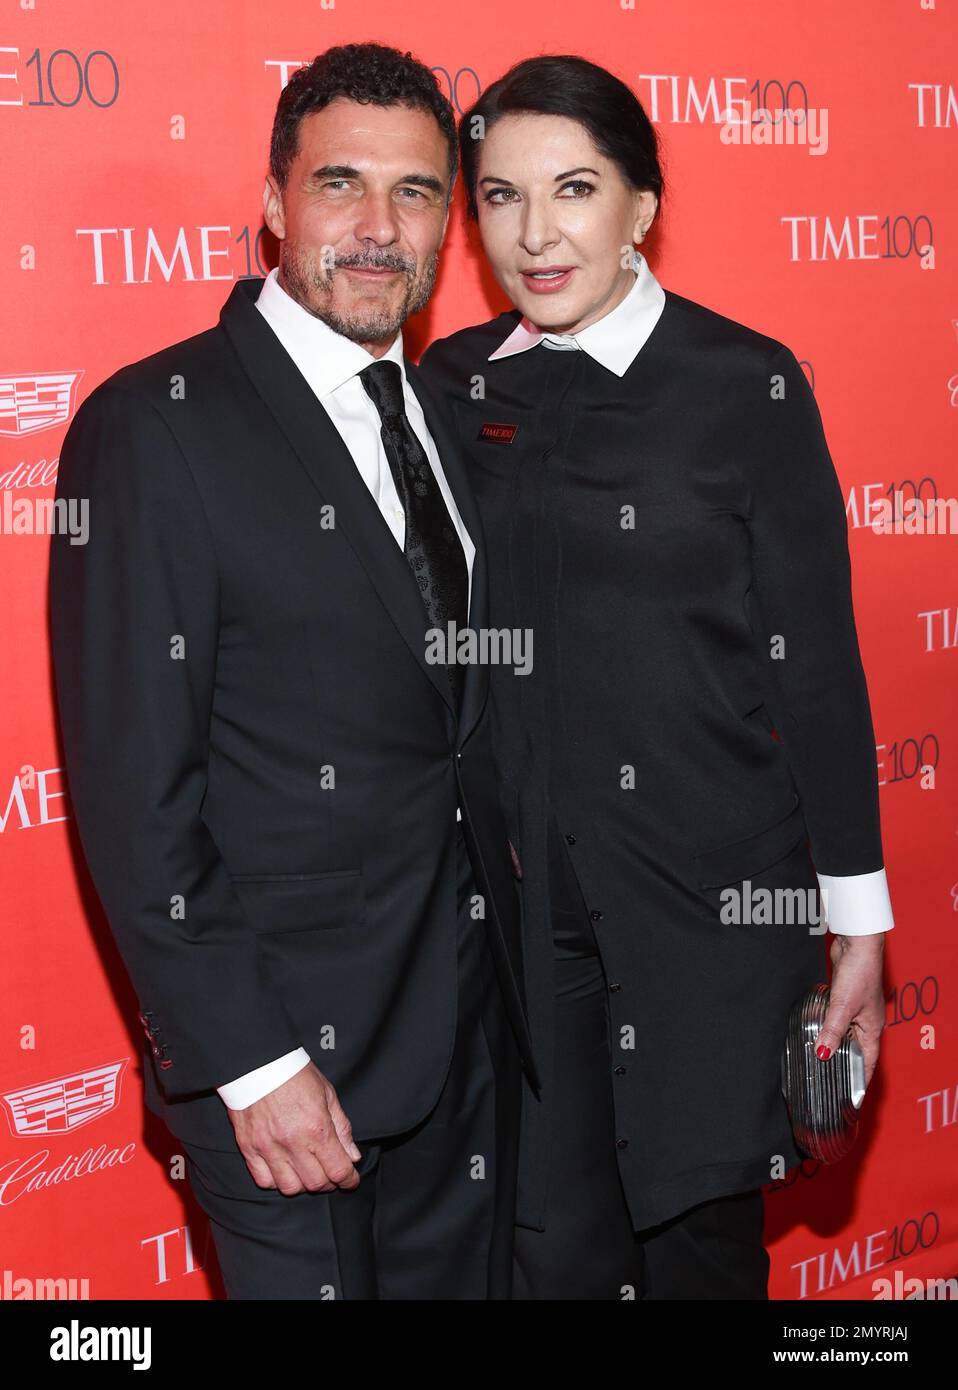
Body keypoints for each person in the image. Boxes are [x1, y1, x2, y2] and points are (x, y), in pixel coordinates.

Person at [48, 42, 538, 1301]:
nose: (379, 231)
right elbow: (131, 793)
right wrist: (254, 1064)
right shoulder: (153, 425)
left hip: (467, 1041)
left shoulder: (443, 411)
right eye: (341, 185)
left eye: (418, 193)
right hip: (284, 1067)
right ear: (272, 204)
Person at [418, 53, 895, 1301]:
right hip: (526, 928)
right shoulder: (452, 389)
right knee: (554, 1253)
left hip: (713, 904)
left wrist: (855, 919)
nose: (536, 233)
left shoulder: (748, 385)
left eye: (574, 189)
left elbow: (819, 667)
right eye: (501, 196)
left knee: (696, 1244)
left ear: (642, 205)